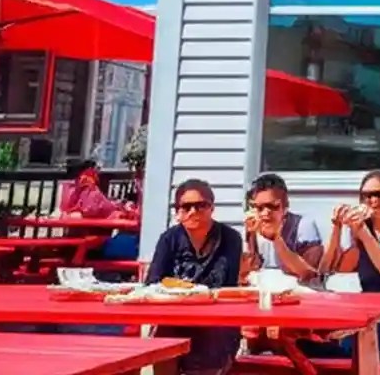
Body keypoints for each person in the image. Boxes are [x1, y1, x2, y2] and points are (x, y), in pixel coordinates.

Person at [301, 170, 380, 363]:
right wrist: (336, 228)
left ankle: (336, 344)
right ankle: (334, 344)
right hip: (369, 318)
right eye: (366, 196)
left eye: (379, 195)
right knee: (347, 326)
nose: (373, 201)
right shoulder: (363, 229)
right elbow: (328, 269)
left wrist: (363, 233)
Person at [146, 179, 243, 375]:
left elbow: (229, 286)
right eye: (186, 206)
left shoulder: (231, 238)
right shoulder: (169, 239)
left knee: (213, 339)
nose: (193, 212)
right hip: (174, 318)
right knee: (163, 341)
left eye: (201, 206)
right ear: (178, 211)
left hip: (215, 321)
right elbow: (152, 283)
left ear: (212, 208)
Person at [242, 173, 324, 282]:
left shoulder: (303, 226)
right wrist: (251, 239)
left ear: (285, 206)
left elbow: (309, 274)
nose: (265, 212)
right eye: (259, 207)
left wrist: (277, 239)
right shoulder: (252, 227)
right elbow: (249, 271)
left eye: (272, 206)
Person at [60, 159, 140, 261]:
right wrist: (118, 211)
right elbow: (92, 209)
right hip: (89, 236)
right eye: (97, 168)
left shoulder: (74, 187)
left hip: (81, 233)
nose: (99, 171)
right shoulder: (88, 186)